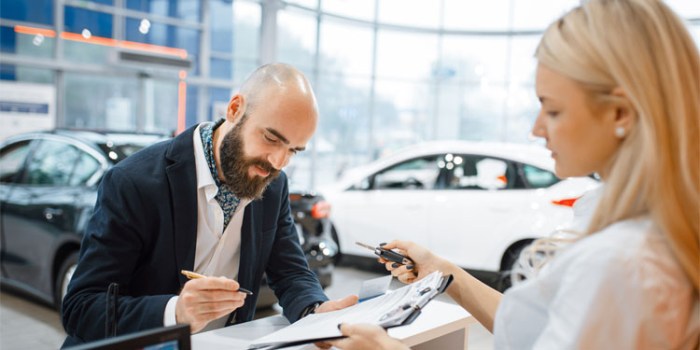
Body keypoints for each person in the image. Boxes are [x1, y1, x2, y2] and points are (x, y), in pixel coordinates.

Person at [330, 0, 699, 348]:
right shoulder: (638, 225)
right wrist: (440, 270)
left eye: (552, 111)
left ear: (620, 113)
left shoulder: (620, 261)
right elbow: (532, 331)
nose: (538, 129)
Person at [61, 63, 357, 346]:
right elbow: (81, 308)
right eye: (270, 138)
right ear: (234, 109)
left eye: (293, 150)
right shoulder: (133, 183)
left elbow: (290, 272)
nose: (278, 162)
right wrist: (175, 313)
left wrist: (315, 311)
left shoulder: (274, 185)